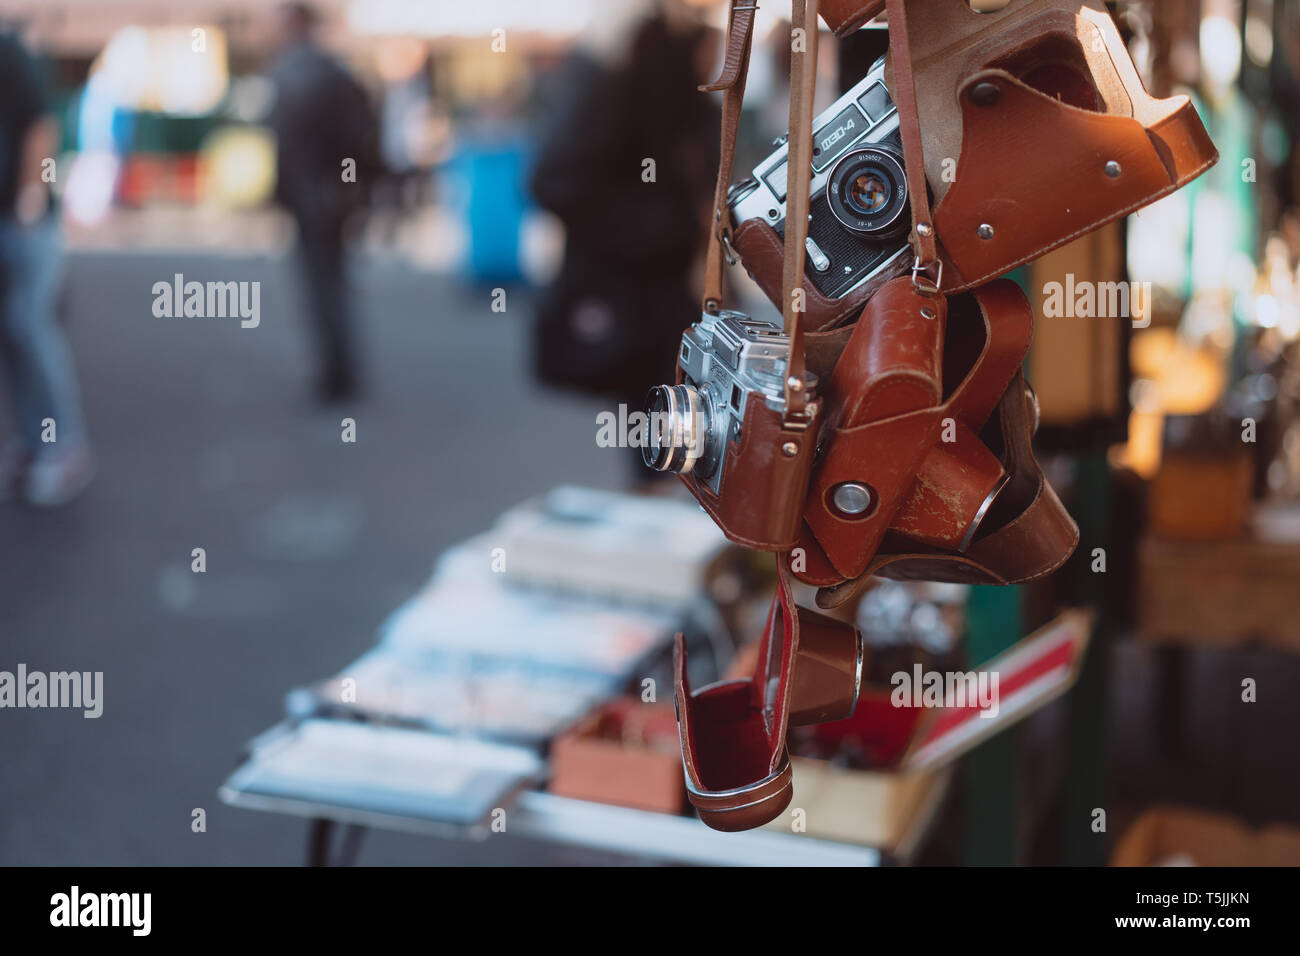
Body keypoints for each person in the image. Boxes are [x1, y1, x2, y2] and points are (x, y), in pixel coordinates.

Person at [529, 3, 720, 485]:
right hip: (640, 300)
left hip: (672, 295)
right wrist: (667, 231)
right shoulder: (627, 48)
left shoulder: (669, 44)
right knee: (659, 450)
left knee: (684, 447)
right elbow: (554, 179)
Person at [266, 3, 381, 403]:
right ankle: (339, 369)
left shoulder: (301, 75)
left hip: (315, 196)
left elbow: (344, 142)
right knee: (330, 285)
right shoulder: (328, 72)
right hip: (326, 195)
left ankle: (336, 373)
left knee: (322, 286)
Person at [0, 30, 93, 507]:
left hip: (23, 222)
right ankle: (36, 442)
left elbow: (41, 126)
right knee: (13, 334)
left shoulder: (7, 50)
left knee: (30, 325)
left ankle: (63, 446)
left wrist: (30, 198)